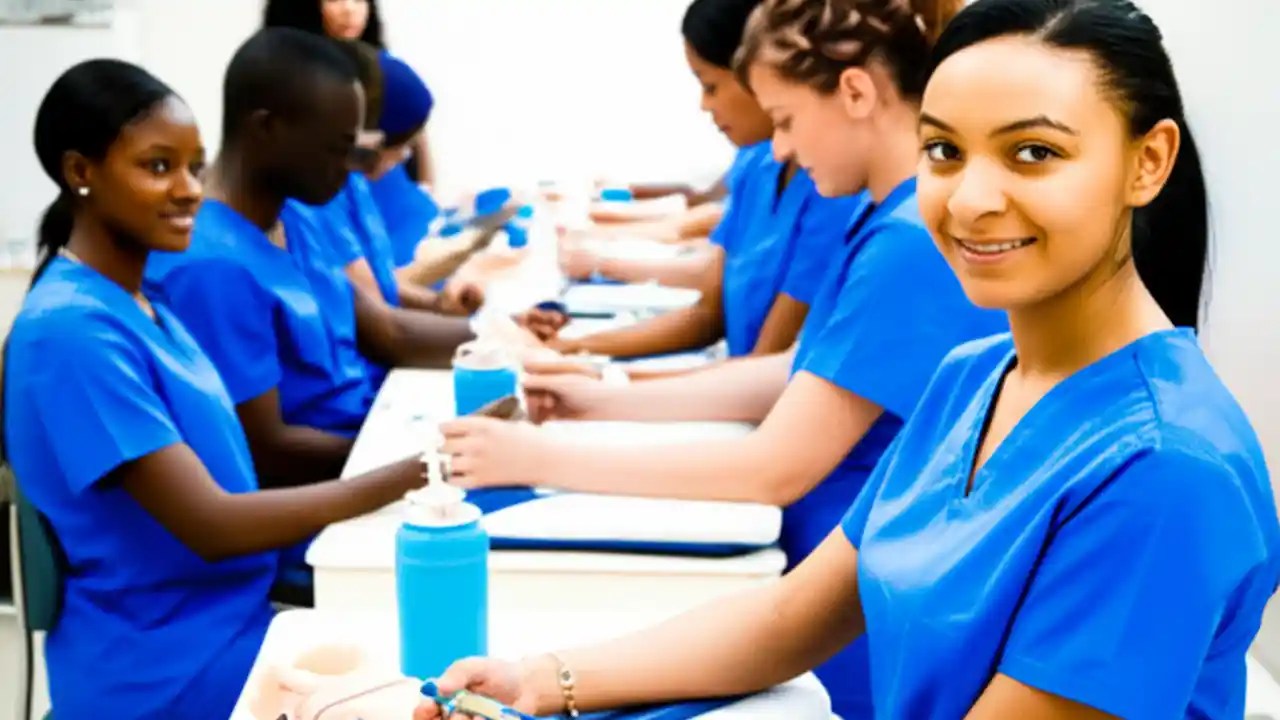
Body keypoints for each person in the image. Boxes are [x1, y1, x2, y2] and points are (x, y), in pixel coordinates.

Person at [417, 1, 1280, 718]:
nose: (972, 199)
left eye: (1034, 153)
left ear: (1147, 162)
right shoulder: (975, 376)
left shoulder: (1164, 471)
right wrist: (543, 681)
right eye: (944, 151)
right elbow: (796, 616)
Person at [437, 0, 1007, 715]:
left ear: (856, 92)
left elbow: (777, 464)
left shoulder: (908, 240)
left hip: (849, 603)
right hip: (820, 572)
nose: (779, 150)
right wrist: (603, 394)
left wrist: (540, 457)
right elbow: (804, 373)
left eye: (786, 121)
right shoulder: (884, 217)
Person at [1, 58, 427, 720]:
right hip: (166, 669)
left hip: (228, 622)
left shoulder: (138, 305)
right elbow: (212, 525)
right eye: (158, 166)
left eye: (195, 167)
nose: (190, 189)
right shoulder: (70, 333)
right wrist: (413, 472)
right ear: (81, 171)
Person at [145, 29, 485, 492]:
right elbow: (265, 451)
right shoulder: (209, 265)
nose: (350, 169)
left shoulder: (294, 214)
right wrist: (420, 458)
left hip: (370, 440)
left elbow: (386, 330)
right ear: (266, 128)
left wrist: (505, 341)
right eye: (336, 149)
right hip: (320, 491)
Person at [547, 0, 864, 362]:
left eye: (711, 86)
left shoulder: (832, 191)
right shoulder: (756, 164)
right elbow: (708, 316)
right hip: (734, 379)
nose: (704, 104)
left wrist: (579, 368)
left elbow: (760, 370)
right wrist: (563, 349)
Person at [263, 0, 438, 191]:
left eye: (359, 0)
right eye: (334, 0)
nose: (349, 9)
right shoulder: (286, 82)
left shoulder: (386, 75)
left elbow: (417, 145)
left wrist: (426, 190)